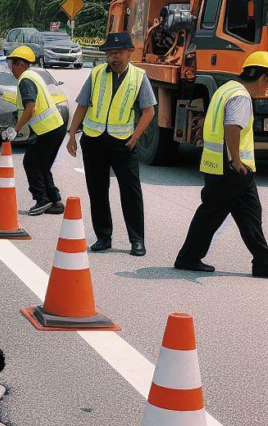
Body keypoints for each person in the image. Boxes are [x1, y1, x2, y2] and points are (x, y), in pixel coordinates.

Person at [175, 51, 268, 276]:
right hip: (231, 167)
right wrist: (236, 160)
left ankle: (263, 262)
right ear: (263, 78)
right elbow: (232, 127)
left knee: (249, 214)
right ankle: (188, 257)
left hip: (220, 165)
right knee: (212, 214)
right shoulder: (241, 96)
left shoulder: (225, 89)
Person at [66, 31, 156, 256]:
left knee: (130, 192)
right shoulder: (96, 74)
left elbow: (149, 111)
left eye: (117, 53)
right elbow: (83, 104)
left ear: (129, 53)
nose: (113, 57)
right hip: (94, 140)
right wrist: (71, 135)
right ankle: (103, 237)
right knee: (97, 190)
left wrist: (134, 138)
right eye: (109, 53)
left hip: (123, 144)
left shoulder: (138, 76)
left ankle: (137, 241)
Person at [3, 46, 66, 215]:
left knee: (30, 162)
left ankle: (41, 200)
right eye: (10, 63)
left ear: (23, 64)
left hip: (49, 129)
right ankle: (55, 201)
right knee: (43, 165)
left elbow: (30, 107)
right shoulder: (32, 75)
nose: (11, 68)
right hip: (54, 127)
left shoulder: (25, 80)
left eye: (14, 63)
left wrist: (15, 130)